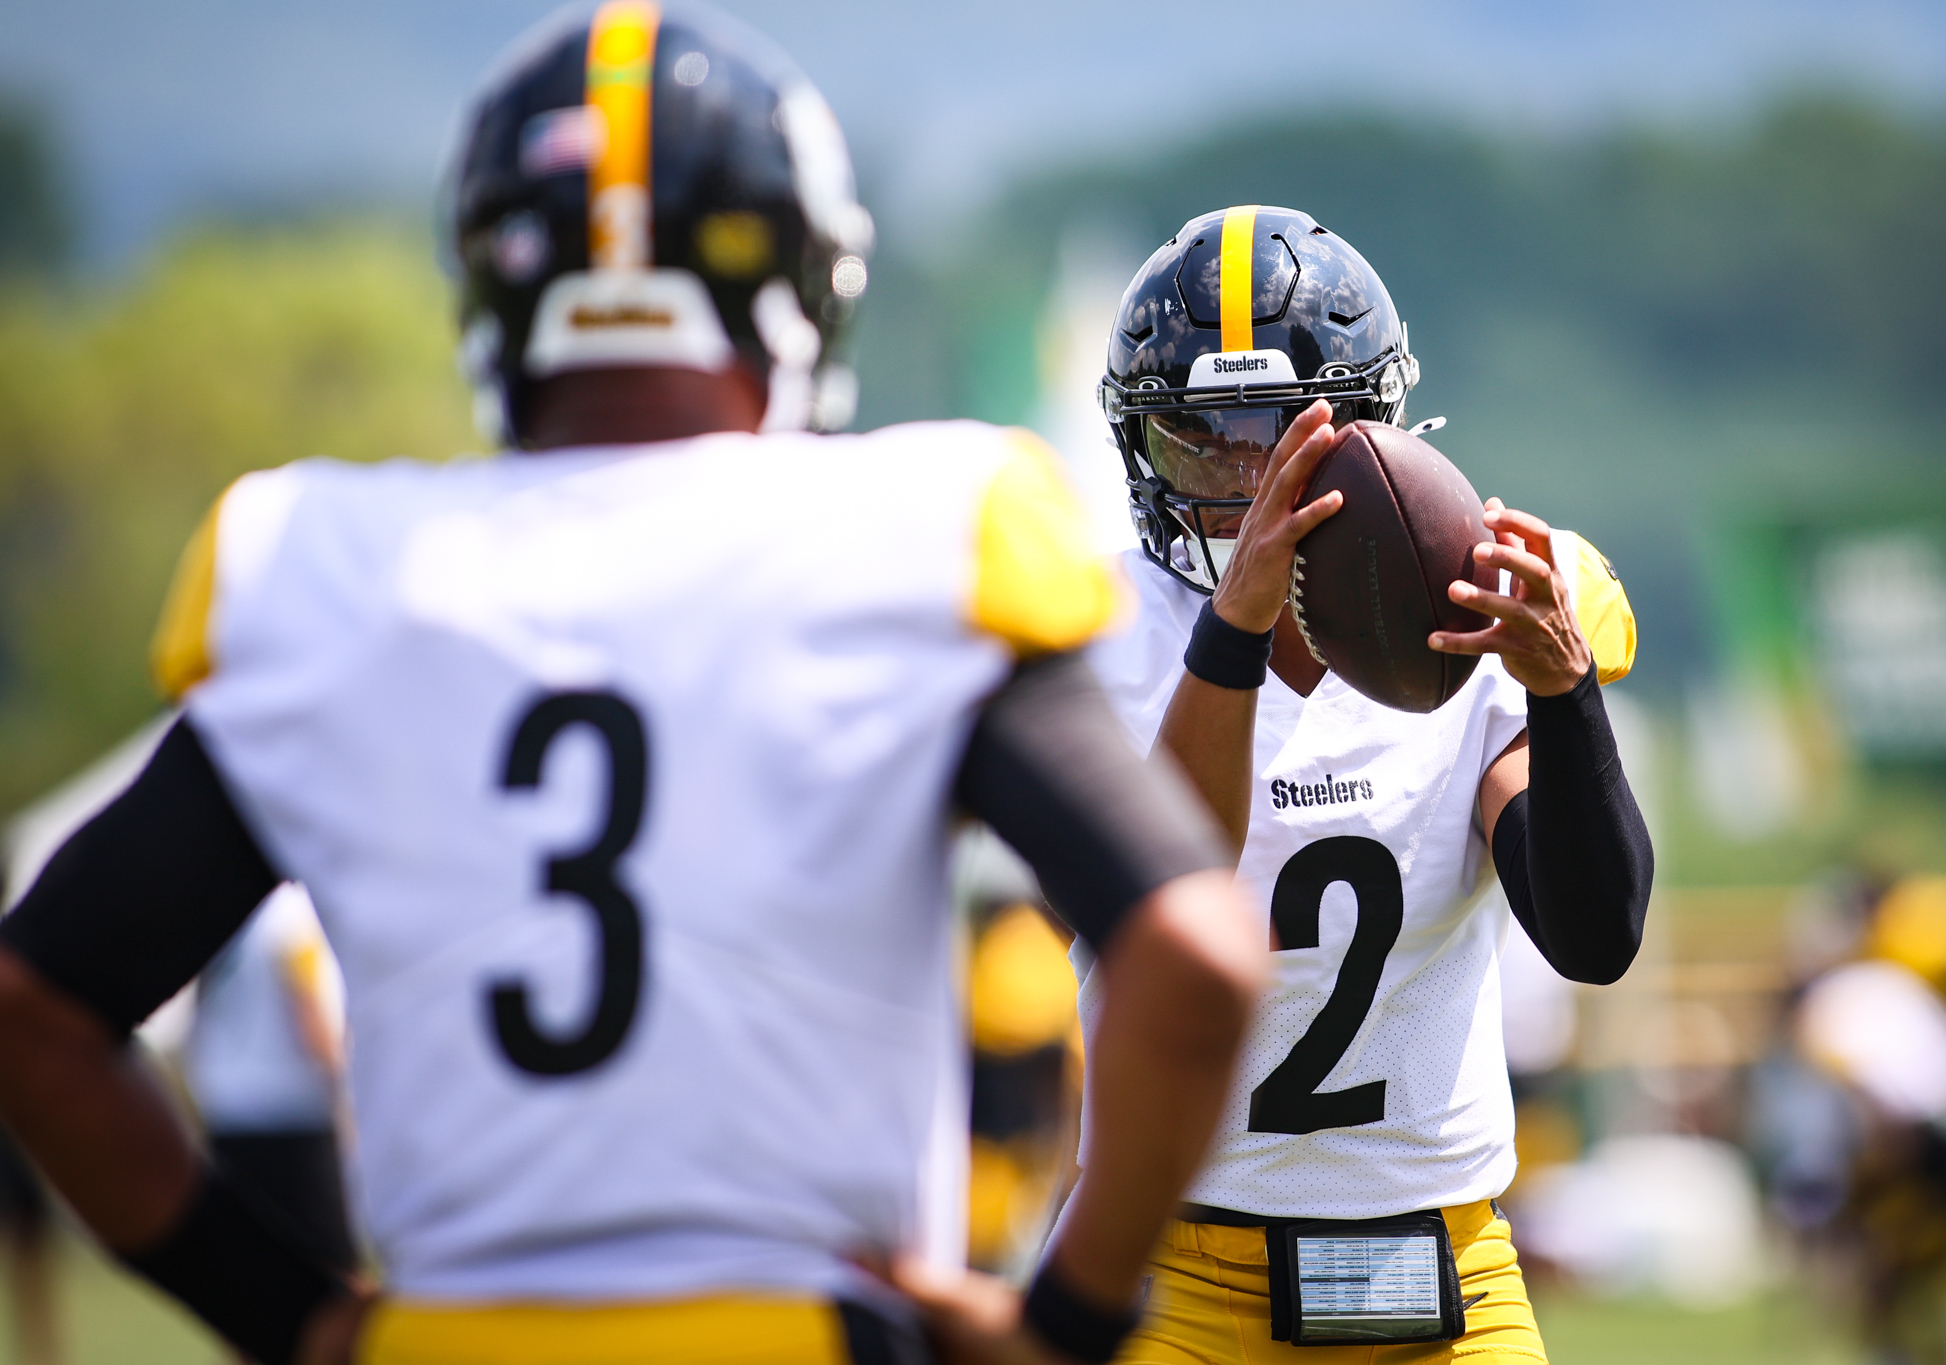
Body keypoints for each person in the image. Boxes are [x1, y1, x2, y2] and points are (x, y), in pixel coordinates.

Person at [0, 11, 1266, 1365]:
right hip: (802, 1333)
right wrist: (1069, 1324)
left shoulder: (335, 574)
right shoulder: (920, 528)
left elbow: (36, 1014)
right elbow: (1194, 957)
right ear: (803, 276)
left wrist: (293, 1318)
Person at [1072, 205, 1655, 1364]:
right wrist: (1231, 633)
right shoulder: (1101, 632)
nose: (1248, 483)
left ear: (1374, 434)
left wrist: (1562, 687)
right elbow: (1157, 900)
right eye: (1202, 440)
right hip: (1173, 1264)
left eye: (1282, 437)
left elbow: (1592, 934)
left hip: (1445, 1264)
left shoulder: (1475, 610)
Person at [184, 883, 358, 1281]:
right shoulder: (292, 913)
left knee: (251, 1283)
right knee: (338, 1279)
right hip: (292, 1116)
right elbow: (311, 1014)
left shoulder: (234, 911)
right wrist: (348, 1102)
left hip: (230, 1112)